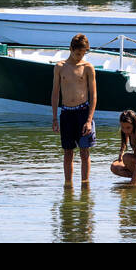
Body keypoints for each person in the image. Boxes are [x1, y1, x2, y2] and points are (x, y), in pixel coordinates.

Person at [51, 34, 97, 184]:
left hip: (83, 112)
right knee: (68, 152)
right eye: (78, 53)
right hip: (66, 113)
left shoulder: (88, 68)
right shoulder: (60, 67)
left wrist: (89, 120)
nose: (80, 56)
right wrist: (54, 118)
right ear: (71, 49)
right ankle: (68, 186)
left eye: (83, 53)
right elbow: (55, 93)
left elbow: (93, 95)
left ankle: (85, 185)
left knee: (84, 152)